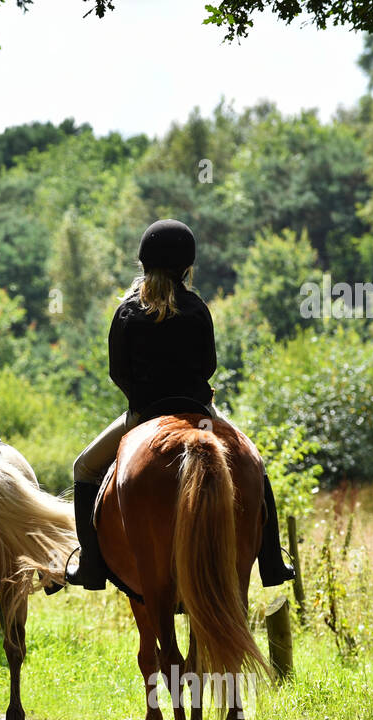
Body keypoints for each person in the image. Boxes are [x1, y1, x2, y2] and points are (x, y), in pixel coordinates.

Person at [64, 218, 295, 590]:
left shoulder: (127, 310)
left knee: (83, 469)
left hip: (144, 414)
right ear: (187, 267)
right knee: (255, 463)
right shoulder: (197, 307)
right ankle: (271, 561)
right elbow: (209, 365)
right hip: (200, 413)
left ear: (144, 263)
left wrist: (141, 401)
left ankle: (90, 565)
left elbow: (117, 371)